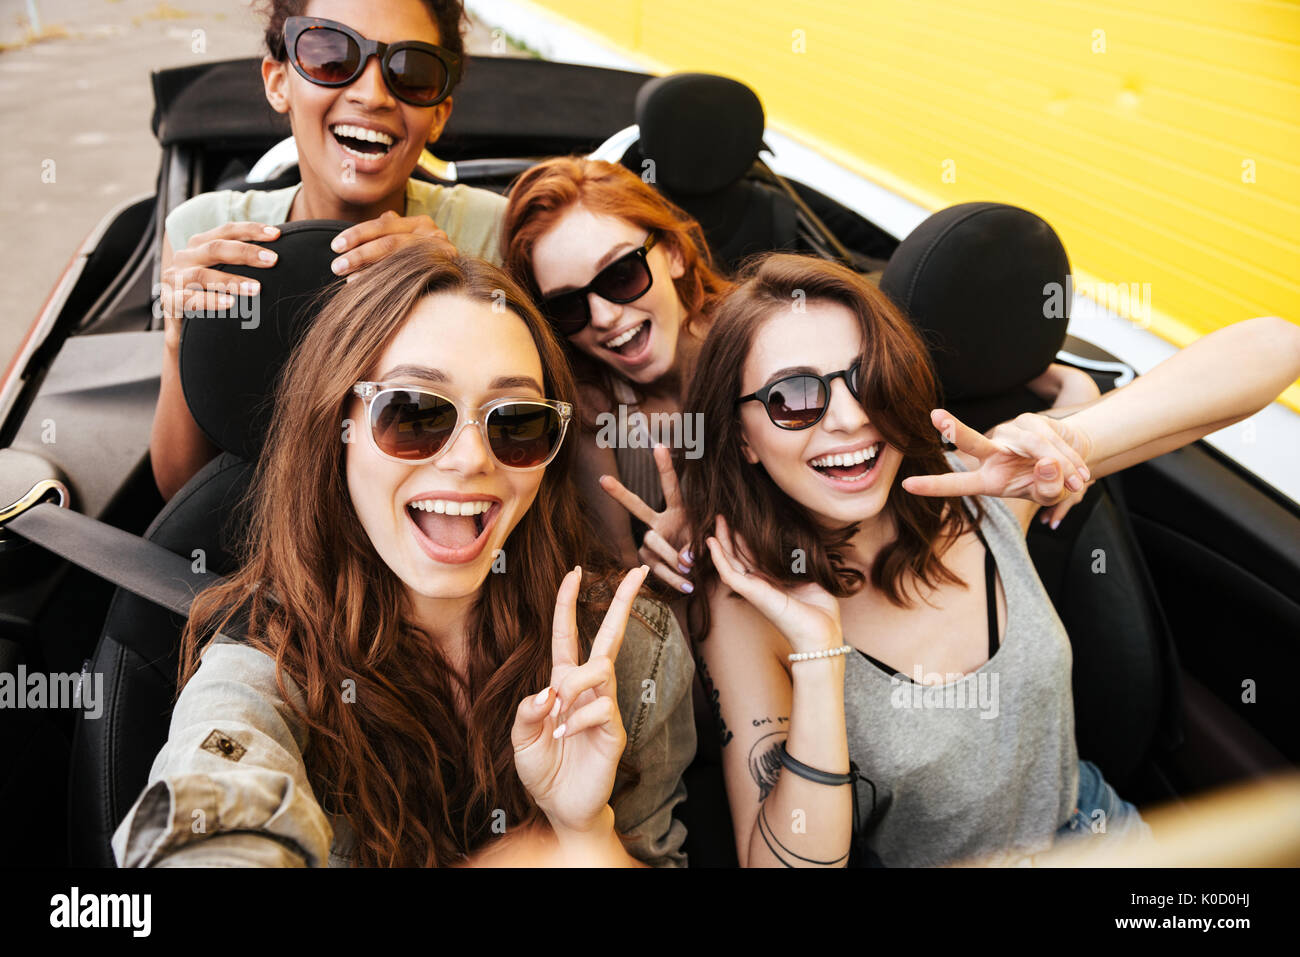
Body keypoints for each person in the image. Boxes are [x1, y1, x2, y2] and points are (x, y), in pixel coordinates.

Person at [678, 252, 1300, 867]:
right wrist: (816, 656)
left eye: (871, 377)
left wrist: (1074, 439)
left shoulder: (985, 485)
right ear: (741, 438)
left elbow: (1276, 347)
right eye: (792, 396)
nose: (852, 417)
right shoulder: (749, 602)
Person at [113, 247, 696, 867]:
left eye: (515, 421)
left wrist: (584, 831)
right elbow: (213, 807)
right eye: (415, 414)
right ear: (335, 427)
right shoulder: (267, 664)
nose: (472, 460)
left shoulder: (627, 649)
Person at [152, 0, 507, 501]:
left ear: (438, 115)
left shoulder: (489, 233)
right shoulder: (205, 233)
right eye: (331, 57)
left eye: (412, 71)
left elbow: (520, 450)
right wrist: (180, 342)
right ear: (279, 82)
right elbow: (183, 490)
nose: (372, 94)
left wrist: (453, 289)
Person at [502, 157, 733, 592]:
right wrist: (655, 567)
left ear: (676, 255)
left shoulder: (762, 349)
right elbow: (621, 577)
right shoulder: (588, 407)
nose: (604, 316)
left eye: (622, 275)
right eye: (568, 306)